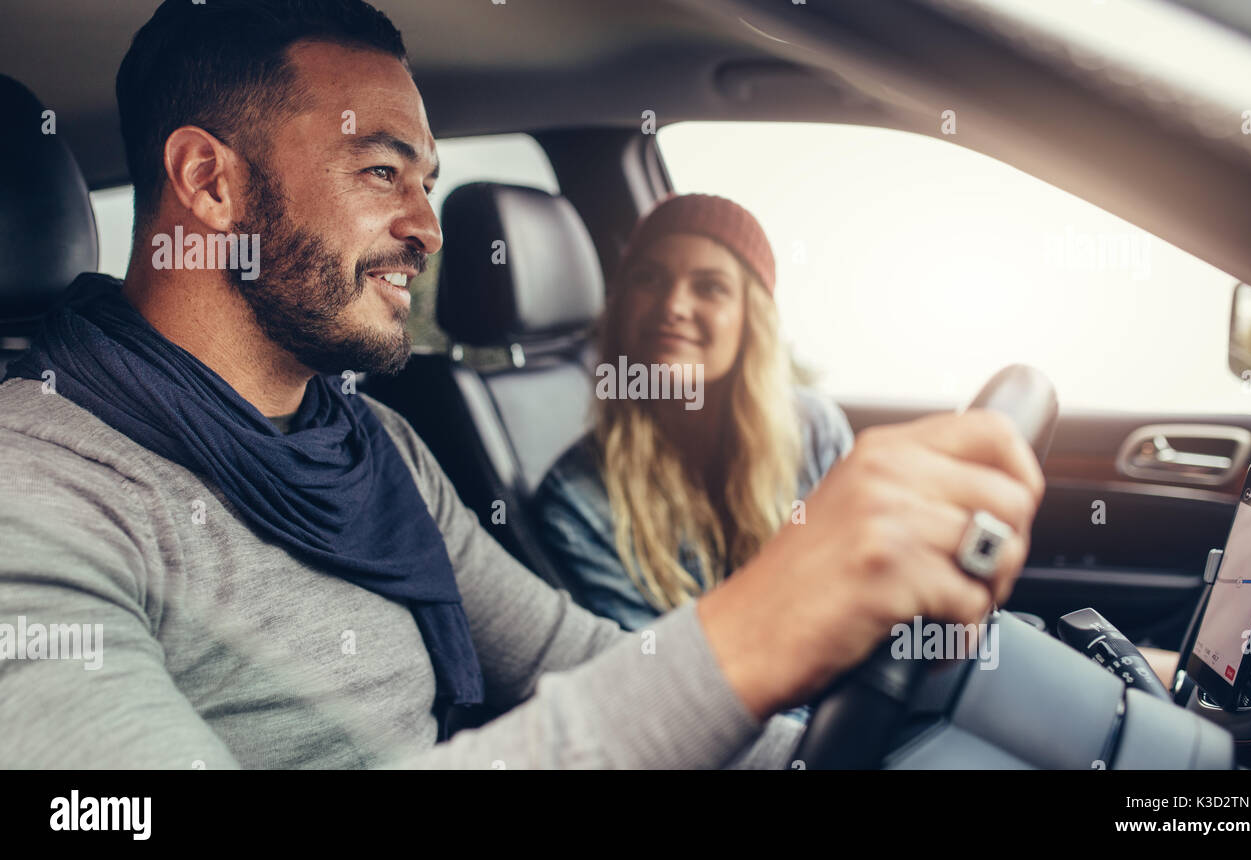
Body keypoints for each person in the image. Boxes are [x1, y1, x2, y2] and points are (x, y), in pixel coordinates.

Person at [0, 0, 1043, 769]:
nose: (427, 229)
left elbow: (567, 659)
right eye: (380, 172)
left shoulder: (371, 446)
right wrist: (759, 630)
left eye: (427, 183)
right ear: (210, 181)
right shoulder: (31, 495)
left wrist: (826, 743)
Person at [536, 194, 853, 649]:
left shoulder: (815, 429)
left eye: (710, 287)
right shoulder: (577, 499)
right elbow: (662, 678)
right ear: (622, 306)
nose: (674, 306)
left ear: (751, 319)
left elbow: (860, 596)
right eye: (649, 279)